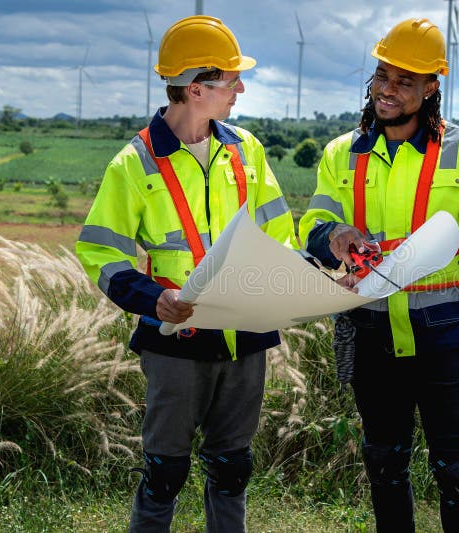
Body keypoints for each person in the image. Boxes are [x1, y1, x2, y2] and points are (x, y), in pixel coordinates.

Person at [75, 15, 296, 533]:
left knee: (233, 467)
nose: (240, 90)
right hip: (174, 338)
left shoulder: (247, 150)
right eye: (230, 81)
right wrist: (153, 299)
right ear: (195, 89)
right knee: (165, 472)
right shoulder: (133, 164)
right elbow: (98, 252)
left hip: (246, 334)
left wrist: (300, 277)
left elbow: (279, 233)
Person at [299, 18, 459, 533]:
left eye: (403, 81)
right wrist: (334, 236)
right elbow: (311, 225)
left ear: (431, 86)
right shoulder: (341, 153)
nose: (387, 90)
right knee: (384, 465)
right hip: (372, 334)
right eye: (381, 76)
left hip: (442, 338)